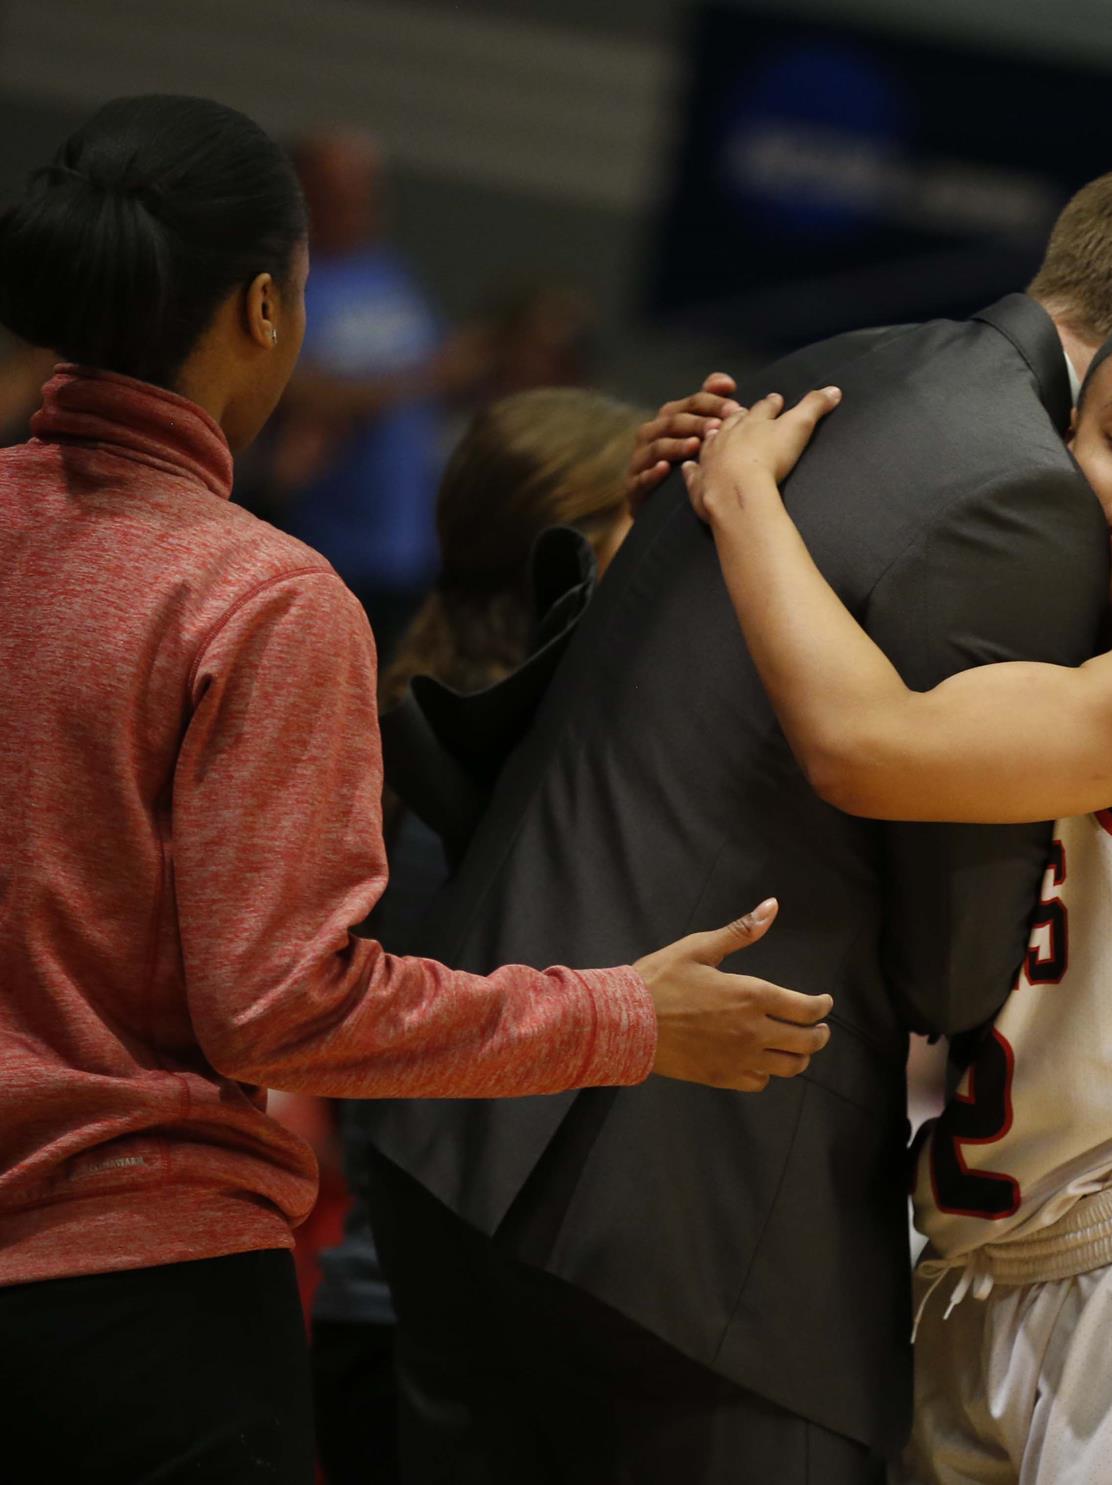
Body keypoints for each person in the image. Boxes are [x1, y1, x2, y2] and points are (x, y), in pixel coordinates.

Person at [360, 142, 1112, 1483]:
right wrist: (664, 519)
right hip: (962, 1256)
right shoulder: (1027, 537)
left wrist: (742, 505)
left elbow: (871, 748)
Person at [0, 94, 829, 1484]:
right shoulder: (260, 597)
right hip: (135, 1307)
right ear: (267, 308)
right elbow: (283, 1008)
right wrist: (631, 1016)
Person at [687, 298, 1112, 1482]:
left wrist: (740, 498)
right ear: (1063, 437)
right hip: (980, 1278)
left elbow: (859, 744)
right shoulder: (1032, 641)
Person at [311, 385, 658, 1483]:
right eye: (643, 526)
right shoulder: (487, 778)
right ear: (575, 549)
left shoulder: (416, 730)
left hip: (403, 1329)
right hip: (450, 1342)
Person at [266, 127, 450, 651]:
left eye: (367, 187)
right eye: (341, 188)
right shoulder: (287, 282)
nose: (359, 202)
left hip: (410, 547)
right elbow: (295, 390)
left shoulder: (390, 272)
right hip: (327, 544)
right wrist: (422, 379)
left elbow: (441, 374)